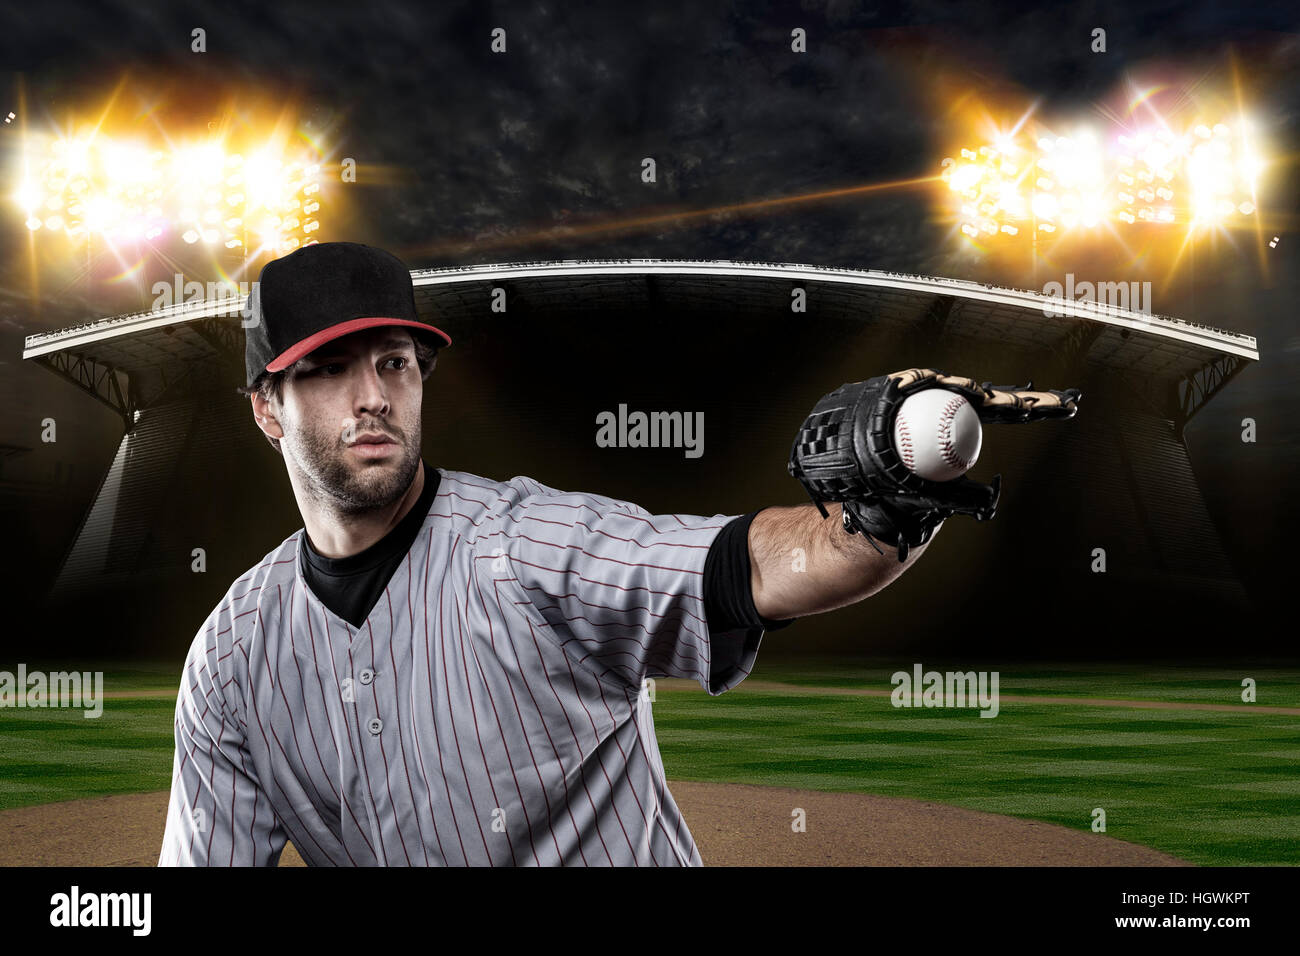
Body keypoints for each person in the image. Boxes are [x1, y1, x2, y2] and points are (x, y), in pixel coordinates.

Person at [156, 242, 997, 867]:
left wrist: (884, 513)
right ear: (268, 409)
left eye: (395, 364)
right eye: (331, 369)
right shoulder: (234, 658)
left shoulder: (530, 548)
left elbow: (761, 567)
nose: (374, 396)